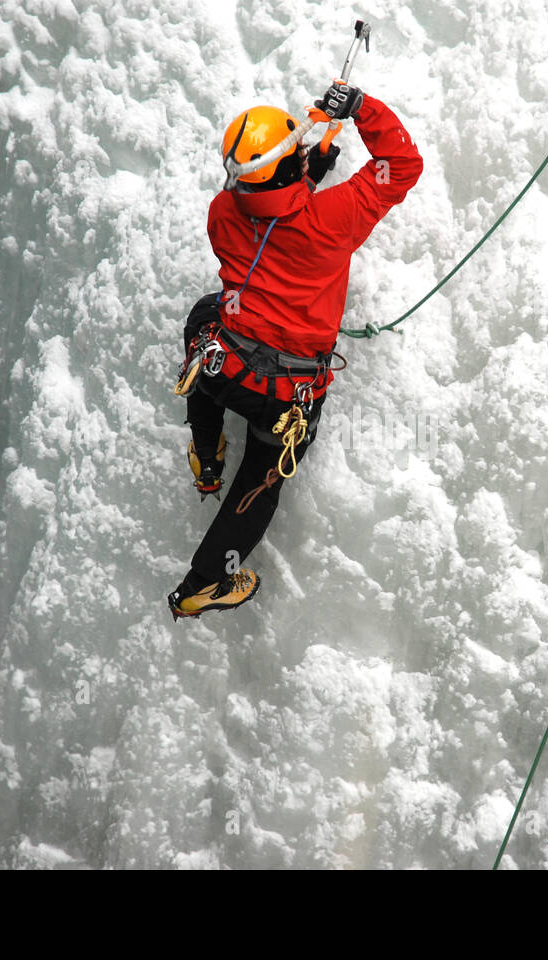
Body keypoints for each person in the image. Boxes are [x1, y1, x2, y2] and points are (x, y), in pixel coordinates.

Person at [168, 81, 423, 619]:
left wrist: (303, 167)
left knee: (204, 314)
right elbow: (401, 164)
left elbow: (267, 213)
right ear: (289, 170)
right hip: (287, 393)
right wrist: (360, 111)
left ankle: (207, 451)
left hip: (225, 363)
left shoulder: (222, 210)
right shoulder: (336, 219)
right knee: (261, 479)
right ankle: (204, 583)